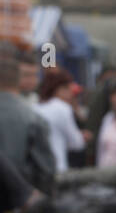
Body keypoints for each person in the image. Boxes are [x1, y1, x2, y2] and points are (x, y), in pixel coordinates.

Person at [0, 46, 55, 194]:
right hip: (20, 200)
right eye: (26, 75)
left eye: (34, 75)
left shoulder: (36, 104)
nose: (32, 80)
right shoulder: (33, 118)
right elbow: (46, 170)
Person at [34, 68, 90, 173]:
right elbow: (76, 143)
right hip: (57, 168)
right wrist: (83, 136)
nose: (72, 94)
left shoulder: (35, 107)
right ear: (59, 89)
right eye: (69, 89)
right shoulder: (63, 108)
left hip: (38, 170)